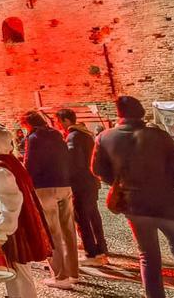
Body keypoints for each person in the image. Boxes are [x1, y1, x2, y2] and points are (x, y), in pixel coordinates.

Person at [93, 96, 174, 298]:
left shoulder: (105, 137)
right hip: (169, 204)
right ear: (141, 113)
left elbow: (97, 170)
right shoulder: (159, 136)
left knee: (147, 256)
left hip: (135, 206)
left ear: (119, 114)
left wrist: (119, 184)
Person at [0, 124, 52, 298]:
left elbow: (11, 204)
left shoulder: (1, 170)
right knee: (19, 274)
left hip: (15, 230)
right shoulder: (10, 162)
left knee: (17, 276)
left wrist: (0, 232)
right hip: (19, 226)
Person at [19, 111, 77, 287]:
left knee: (52, 232)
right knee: (68, 230)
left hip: (45, 187)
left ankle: (60, 276)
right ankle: (74, 272)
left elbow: (30, 164)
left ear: (28, 124)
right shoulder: (56, 134)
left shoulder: (34, 138)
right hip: (64, 185)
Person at [54, 108, 107, 264]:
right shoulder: (85, 135)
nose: (59, 125)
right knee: (93, 216)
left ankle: (91, 252)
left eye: (59, 121)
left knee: (83, 218)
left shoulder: (73, 137)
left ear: (66, 120)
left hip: (80, 184)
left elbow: (74, 162)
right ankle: (101, 247)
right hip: (91, 182)